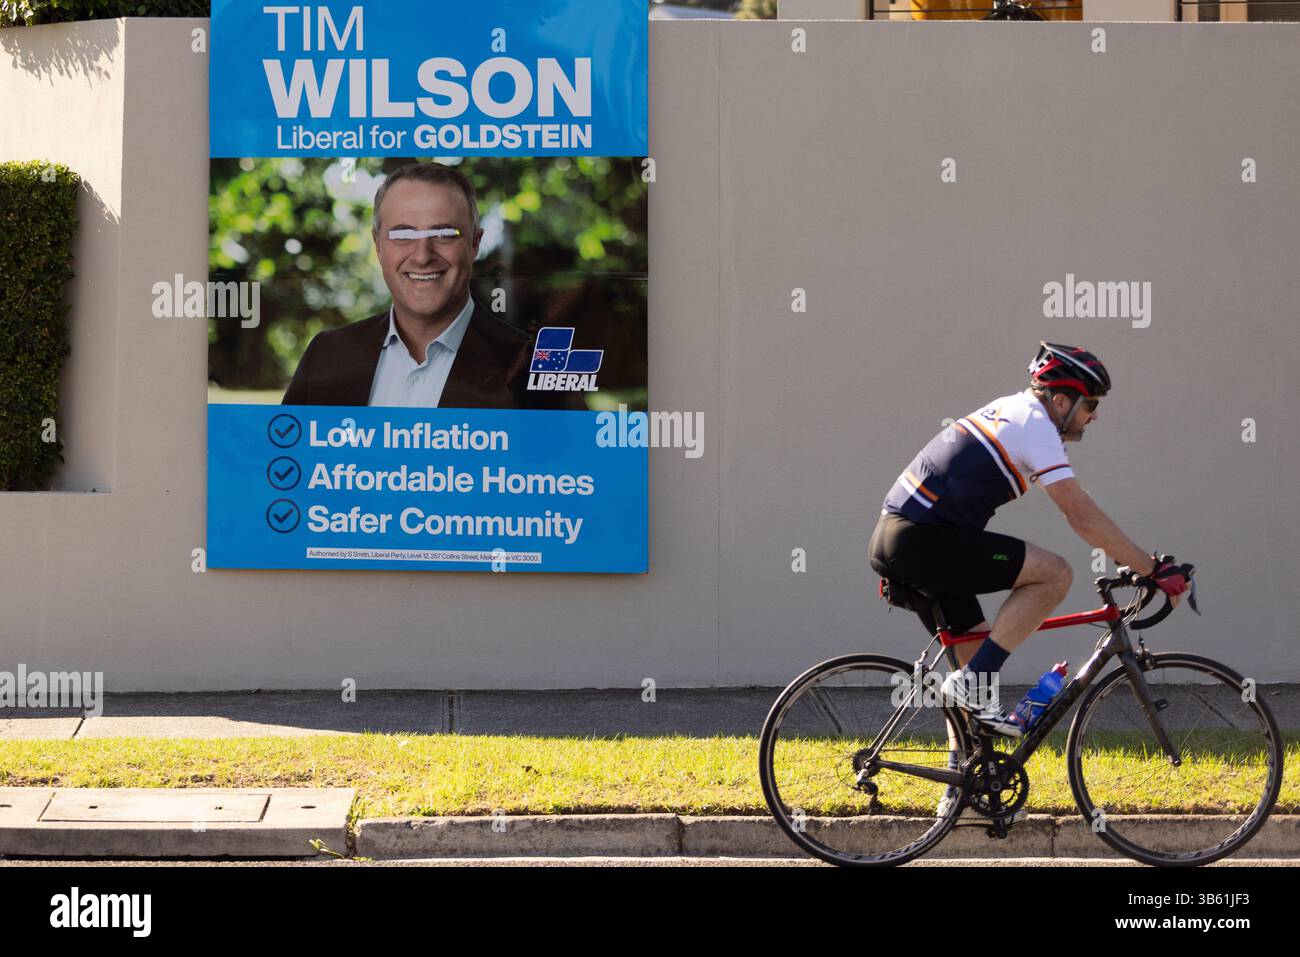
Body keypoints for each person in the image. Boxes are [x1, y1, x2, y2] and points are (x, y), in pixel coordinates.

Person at [867, 342, 1192, 736]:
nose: (1094, 417)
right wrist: (1154, 568)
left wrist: (1140, 561)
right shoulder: (1034, 423)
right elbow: (1080, 515)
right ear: (1060, 401)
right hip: (923, 541)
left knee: (974, 689)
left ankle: (962, 792)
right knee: (1054, 574)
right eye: (1090, 404)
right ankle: (973, 684)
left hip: (903, 538)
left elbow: (1079, 500)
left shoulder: (1014, 410)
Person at [283, 161, 579, 409]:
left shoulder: (535, 368)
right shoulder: (327, 354)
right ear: (378, 245)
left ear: (474, 244)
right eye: (402, 236)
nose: (423, 256)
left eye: (445, 233)